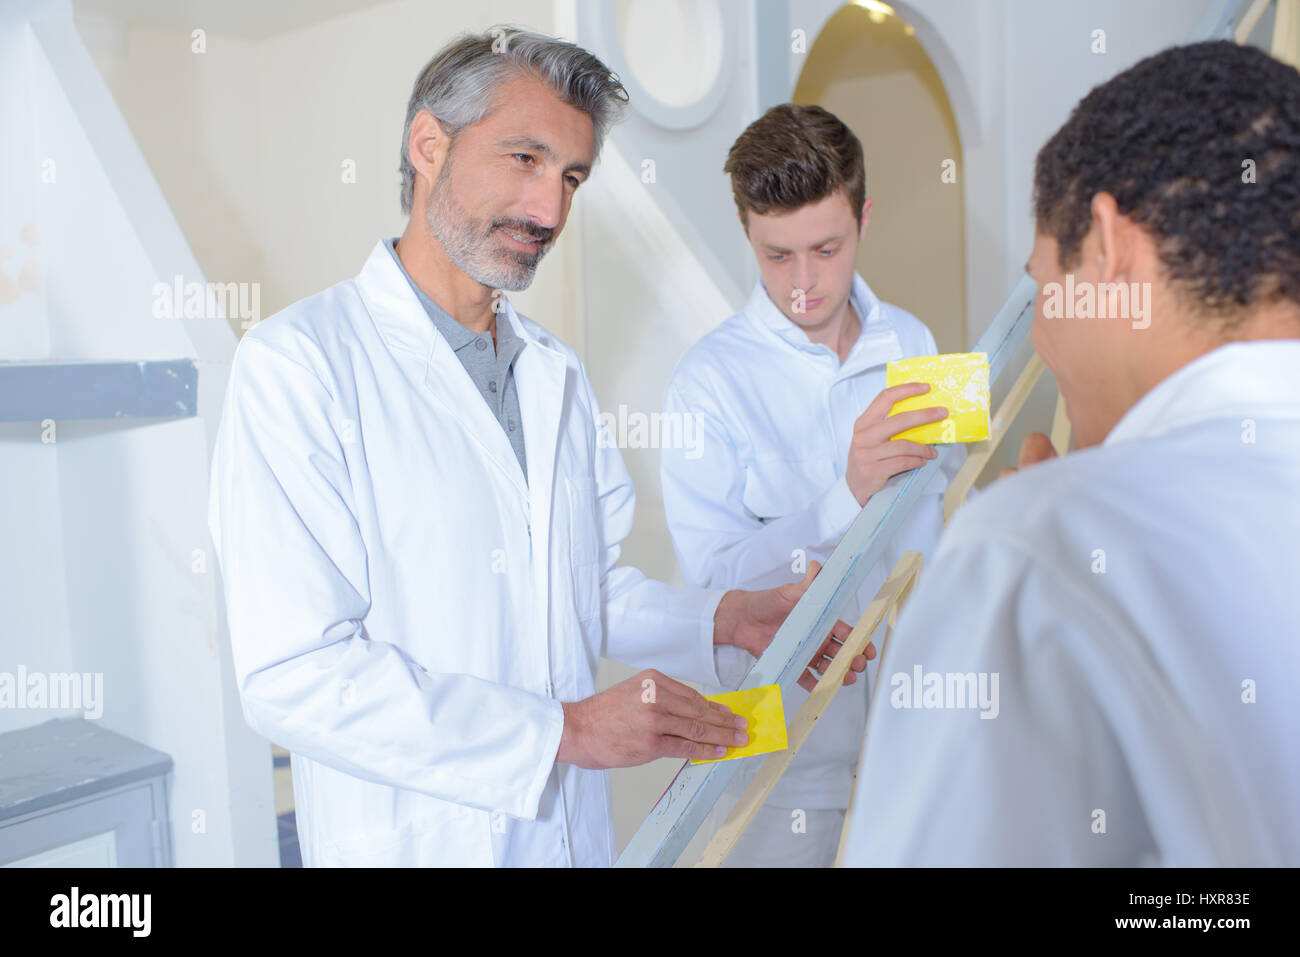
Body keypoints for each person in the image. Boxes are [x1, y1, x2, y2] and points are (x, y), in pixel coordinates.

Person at [207, 27, 862, 868]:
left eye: (572, 177)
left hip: (571, 841)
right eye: (525, 158)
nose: (550, 210)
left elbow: (582, 587)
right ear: (429, 145)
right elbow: (293, 673)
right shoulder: (299, 367)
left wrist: (726, 616)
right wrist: (564, 730)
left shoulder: (553, 373)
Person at [840, 40, 1300, 866]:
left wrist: (1049, 545)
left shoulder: (1029, 548)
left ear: (1109, 244)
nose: (1042, 334)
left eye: (1045, 286)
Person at [660, 104, 962, 867]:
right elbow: (715, 588)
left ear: (865, 217)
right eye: (776, 256)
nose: (802, 284)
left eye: (826, 249)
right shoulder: (706, 382)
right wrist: (843, 496)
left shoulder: (916, 343)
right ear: (748, 235)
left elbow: (948, 507)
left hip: (912, 739)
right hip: (778, 757)